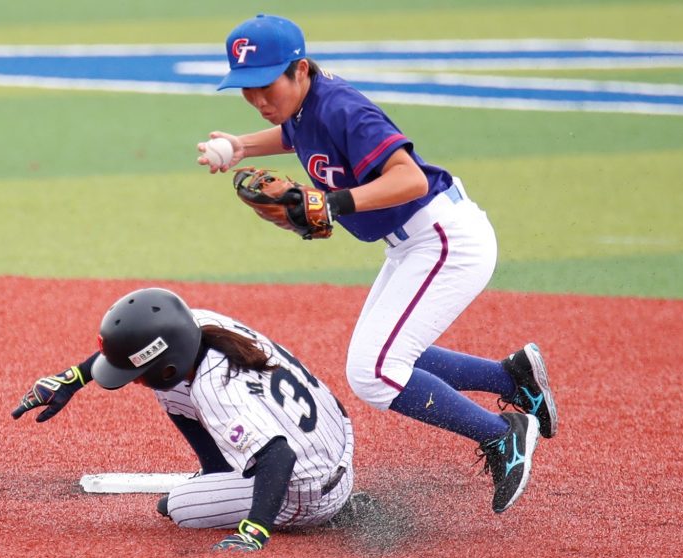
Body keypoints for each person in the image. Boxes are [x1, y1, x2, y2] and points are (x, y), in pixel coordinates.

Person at [196, 14, 558, 514]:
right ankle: (512, 378)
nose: (257, 99)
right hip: (414, 242)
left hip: (444, 241)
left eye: (265, 85)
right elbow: (291, 135)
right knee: (374, 359)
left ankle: (502, 434)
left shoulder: (343, 109)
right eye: (245, 90)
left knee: (375, 373)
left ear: (299, 69)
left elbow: (408, 179)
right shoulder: (307, 107)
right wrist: (239, 145)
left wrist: (332, 204)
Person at [11, 287, 355, 552]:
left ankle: (312, 510)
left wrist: (254, 531)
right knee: (171, 390)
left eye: (140, 372)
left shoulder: (215, 389)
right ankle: (220, 474)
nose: (135, 380)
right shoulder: (201, 324)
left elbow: (279, 456)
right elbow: (137, 346)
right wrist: (73, 378)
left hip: (307, 490)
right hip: (329, 438)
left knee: (178, 507)